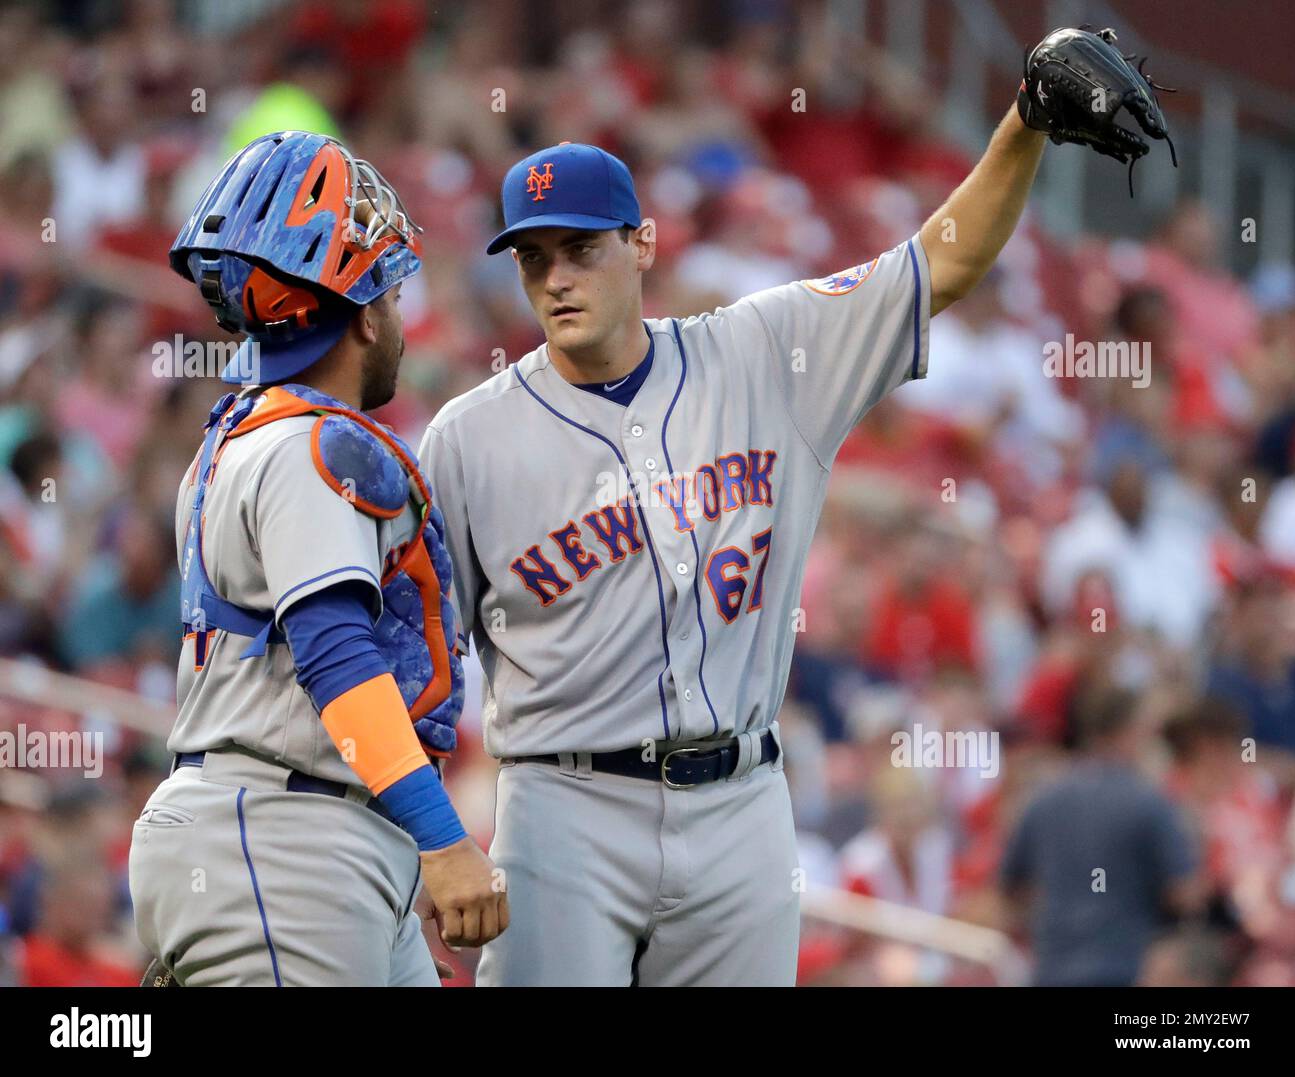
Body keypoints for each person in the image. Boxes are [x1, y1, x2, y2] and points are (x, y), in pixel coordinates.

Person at [419, 29, 1172, 986]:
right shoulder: (467, 438)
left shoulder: (766, 353)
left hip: (740, 801)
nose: (557, 277)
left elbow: (936, 264)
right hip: (562, 806)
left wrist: (1022, 123)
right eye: (532, 259)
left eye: (580, 248)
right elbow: (422, 653)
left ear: (642, 243)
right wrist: (434, 836)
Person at [128, 131, 507, 986]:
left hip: (293, 832)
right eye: (394, 294)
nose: (402, 321)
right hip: (283, 840)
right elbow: (335, 652)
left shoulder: (240, 436)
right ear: (367, 311)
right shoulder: (312, 447)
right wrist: (445, 838)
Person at [1000, 688, 1201, 986]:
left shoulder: (1044, 798)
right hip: (1125, 967)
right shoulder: (1150, 801)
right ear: (1129, 731)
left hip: (1053, 967)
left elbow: (1011, 886)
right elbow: (1184, 893)